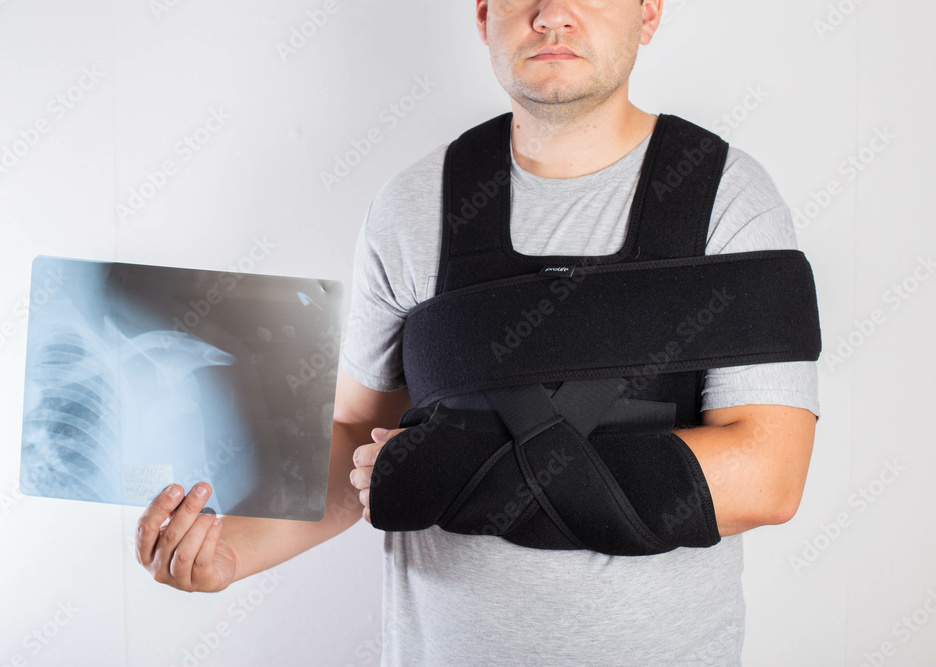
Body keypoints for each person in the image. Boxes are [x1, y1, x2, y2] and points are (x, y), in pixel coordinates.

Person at [136, 1, 820, 665]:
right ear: (482, 14)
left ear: (648, 12)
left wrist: (460, 472)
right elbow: (357, 438)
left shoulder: (728, 200)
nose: (551, 12)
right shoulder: (411, 208)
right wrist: (235, 548)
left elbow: (769, 477)